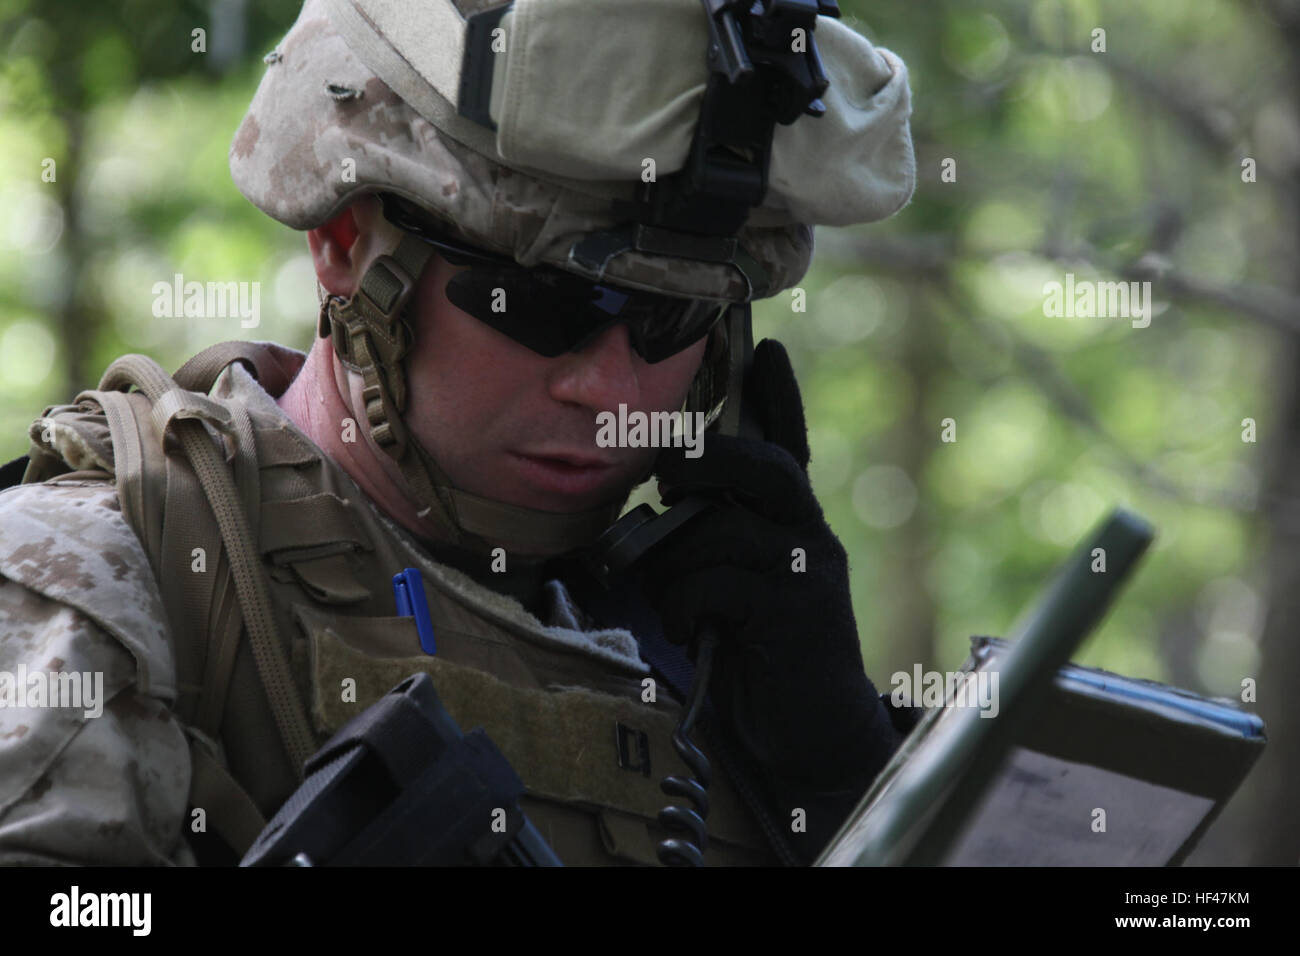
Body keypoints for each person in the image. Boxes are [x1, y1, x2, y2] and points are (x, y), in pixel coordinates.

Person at [0, 0, 917, 866]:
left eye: (670, 320)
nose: (605, 387)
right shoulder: (102, 581)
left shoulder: (725, 656)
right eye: (543, 304)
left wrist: (856, 789)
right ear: (346, 240)